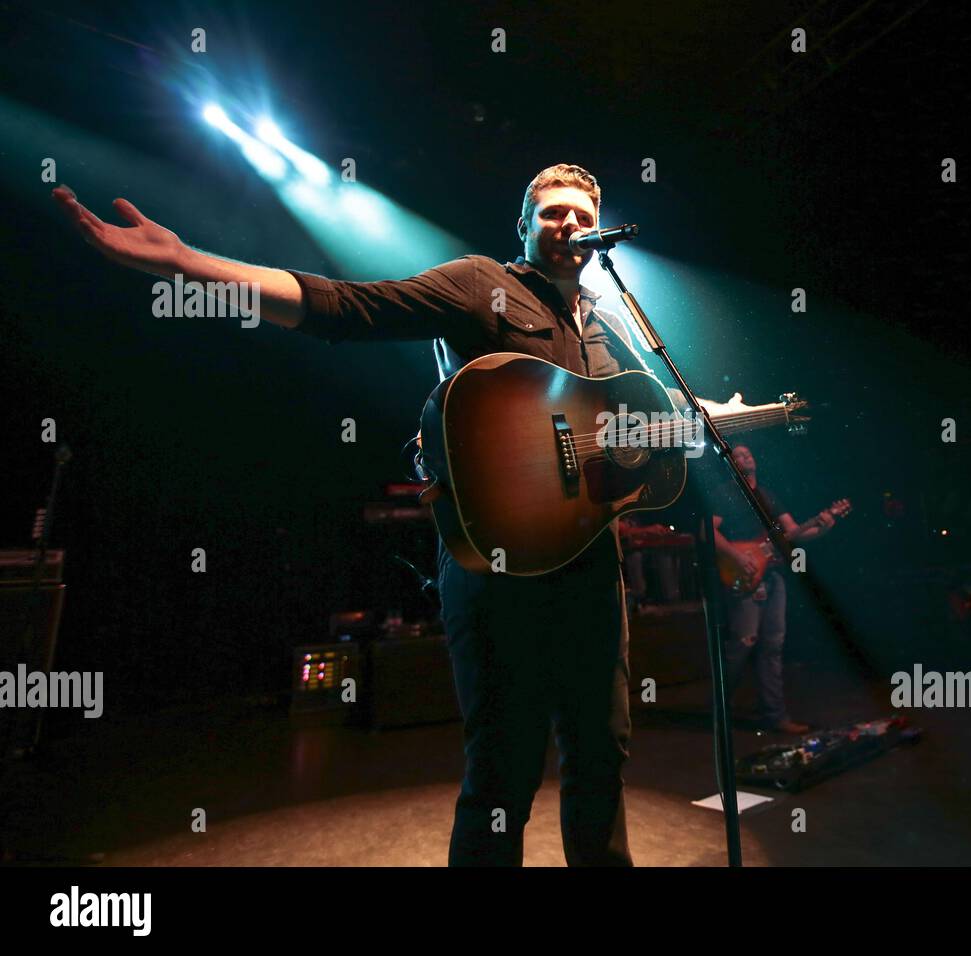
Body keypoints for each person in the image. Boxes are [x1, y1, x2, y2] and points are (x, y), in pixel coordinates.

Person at [51, 164, 752, 866]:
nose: (568, 225)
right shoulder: (483, 284)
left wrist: (721, 421)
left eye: (579, 214)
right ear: (524, 225)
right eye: (551, 214)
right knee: (503, 769)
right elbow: (346, 307)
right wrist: (185, 262)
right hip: (495, 562)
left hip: (589, 569)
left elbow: (644, 427)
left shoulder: (606, 328)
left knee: (601, 752)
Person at [712, 445, 840, 735]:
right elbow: (708, 529)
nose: (745, 457)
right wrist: (737, 556)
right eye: (738, 454)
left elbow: (794, 531)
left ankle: (775, 715)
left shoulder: (768, 496)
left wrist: (823, 526)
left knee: (773, 645)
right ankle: (719, 706)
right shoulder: (725, 493)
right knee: (744, 641)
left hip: (773, 575)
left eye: (748, 453)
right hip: (742, 570)